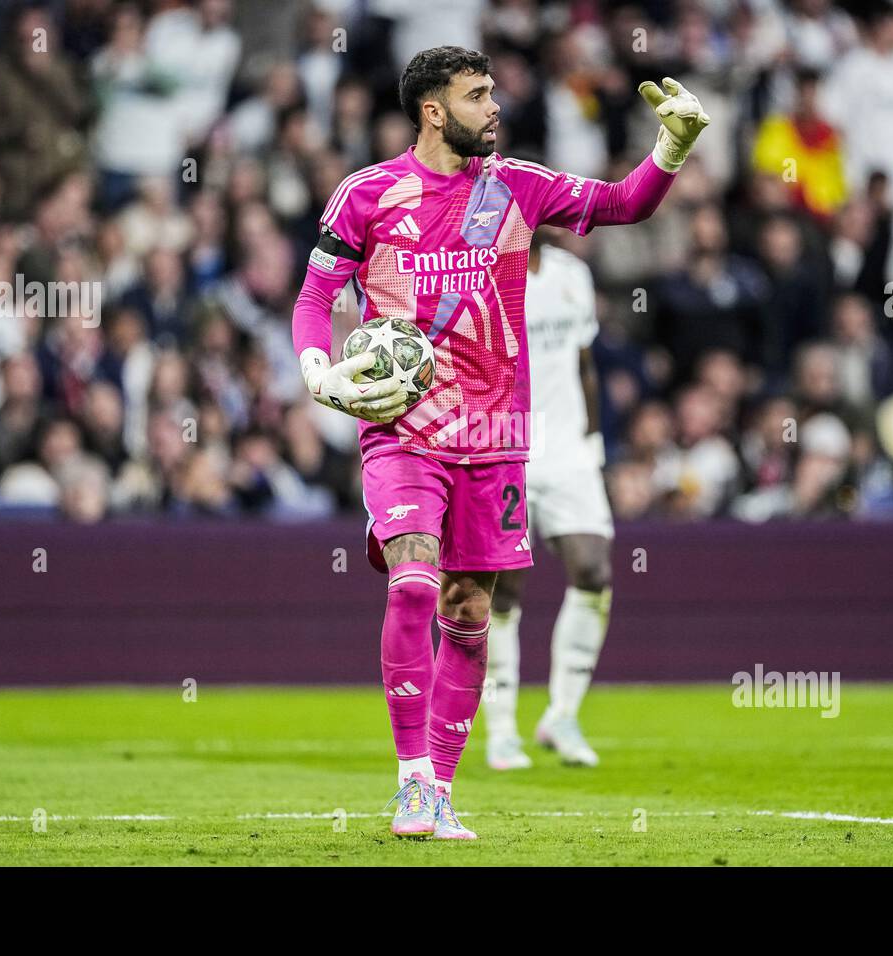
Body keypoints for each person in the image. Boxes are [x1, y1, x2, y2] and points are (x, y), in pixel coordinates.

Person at [290, 46, 708, 839]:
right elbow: (315, 295)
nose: (496, 107)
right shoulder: (368, 194)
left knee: (469, 605)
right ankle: (412, 783)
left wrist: (672, 148)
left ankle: (443, 790)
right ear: (433, 110)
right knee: (413, 583)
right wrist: (317, 365)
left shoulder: (516, 184)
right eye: (479, 95)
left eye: (495, 93)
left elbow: (624, 204)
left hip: (496, 434)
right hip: (404, 428)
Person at [483, 229, 612, 770]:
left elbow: (584, 364)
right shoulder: (485, 274)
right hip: (505, 443)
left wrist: (593, 439)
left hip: (568, 452)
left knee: (593, 570)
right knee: (504, 587)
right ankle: (500, 728)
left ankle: (561, 714)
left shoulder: (572, 275)